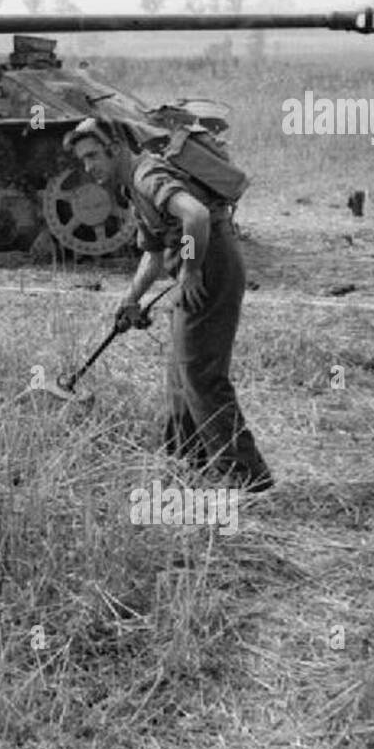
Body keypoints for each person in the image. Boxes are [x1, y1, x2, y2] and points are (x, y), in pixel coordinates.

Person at [65, 116, 273, 492]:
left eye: (94, 156)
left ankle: (244, 475)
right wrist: (131, 298)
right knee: (180, 372)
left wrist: (191, 270)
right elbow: (154, 253)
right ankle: (183, 461)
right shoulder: (133, 187)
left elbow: (196, 216)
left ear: (116, 150)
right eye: (83, 160)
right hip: (197, 266)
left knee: (200, 373)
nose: (89, 167)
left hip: (210, 265)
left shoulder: (147, 175)